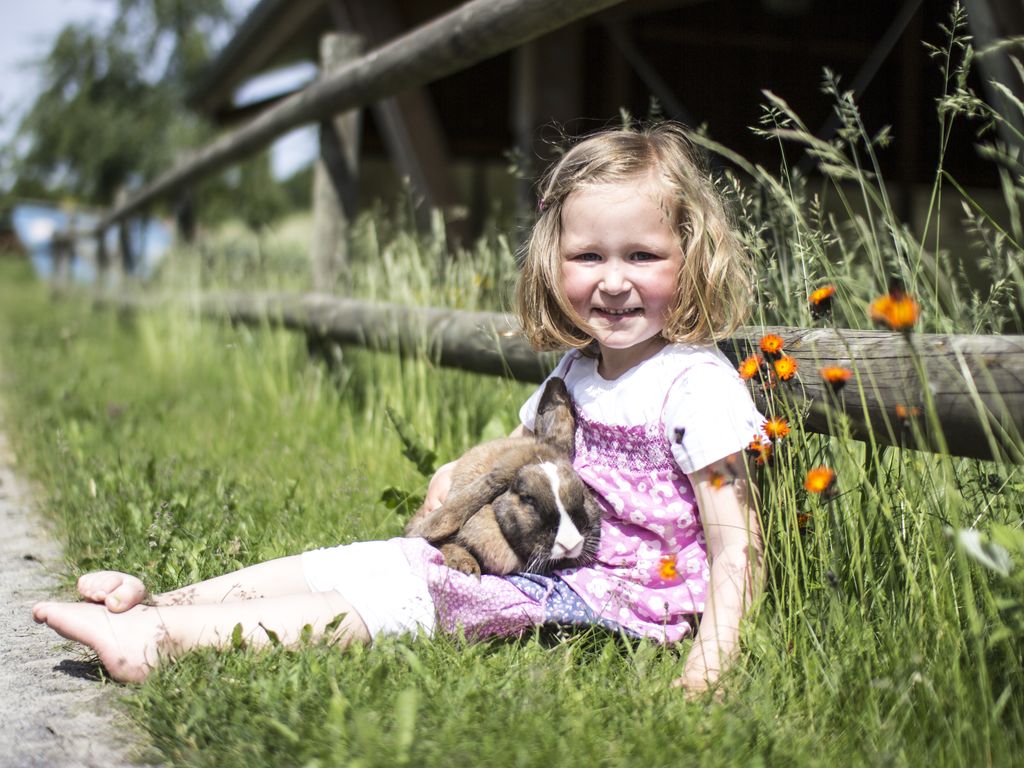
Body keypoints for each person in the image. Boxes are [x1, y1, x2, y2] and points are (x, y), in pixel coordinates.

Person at [33, 122, 764, 693]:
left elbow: (736, 541)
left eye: (641, 256)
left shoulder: (692, 387)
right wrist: (456, 470)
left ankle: (164, 643)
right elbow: (512, 458)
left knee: (425, 590)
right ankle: (160, 604)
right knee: (388, 555)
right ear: (553, 261)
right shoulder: (575, 373)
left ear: (690, 257)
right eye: (588, 258)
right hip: (562, 569)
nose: (612, 282)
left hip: (635, 606)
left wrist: (711, 659)